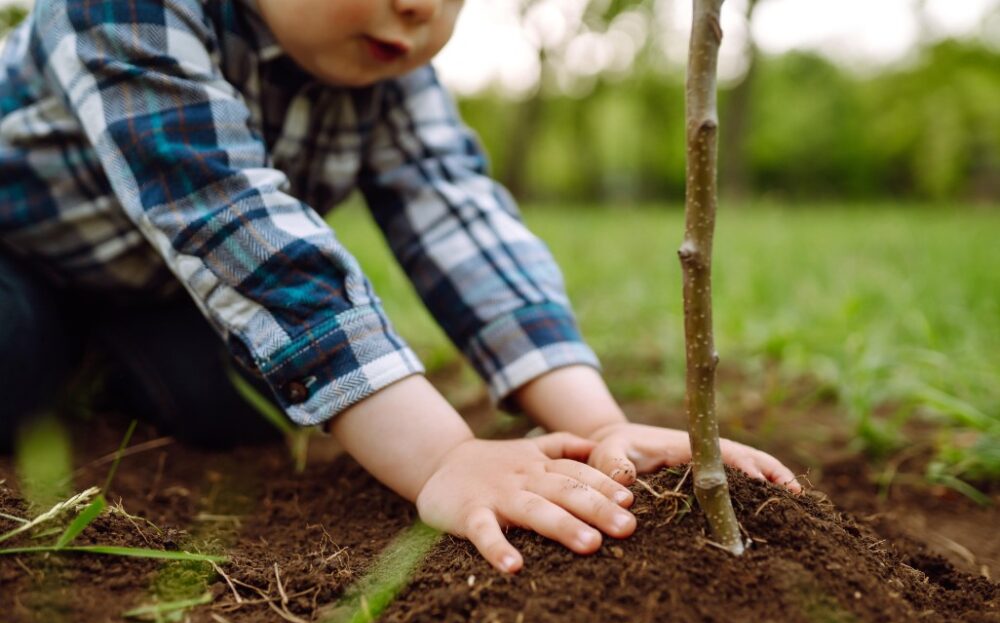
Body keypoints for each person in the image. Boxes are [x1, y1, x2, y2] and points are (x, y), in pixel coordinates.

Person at [0, 0, 800, 573]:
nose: (418, 7)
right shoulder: (118, 12)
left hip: (148, 287)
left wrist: (600, 425)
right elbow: (233, 225)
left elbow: (463, 224)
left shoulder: (387, 67)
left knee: (241, 411)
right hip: (18, 250)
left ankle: (91, 364)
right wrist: (444, 457)